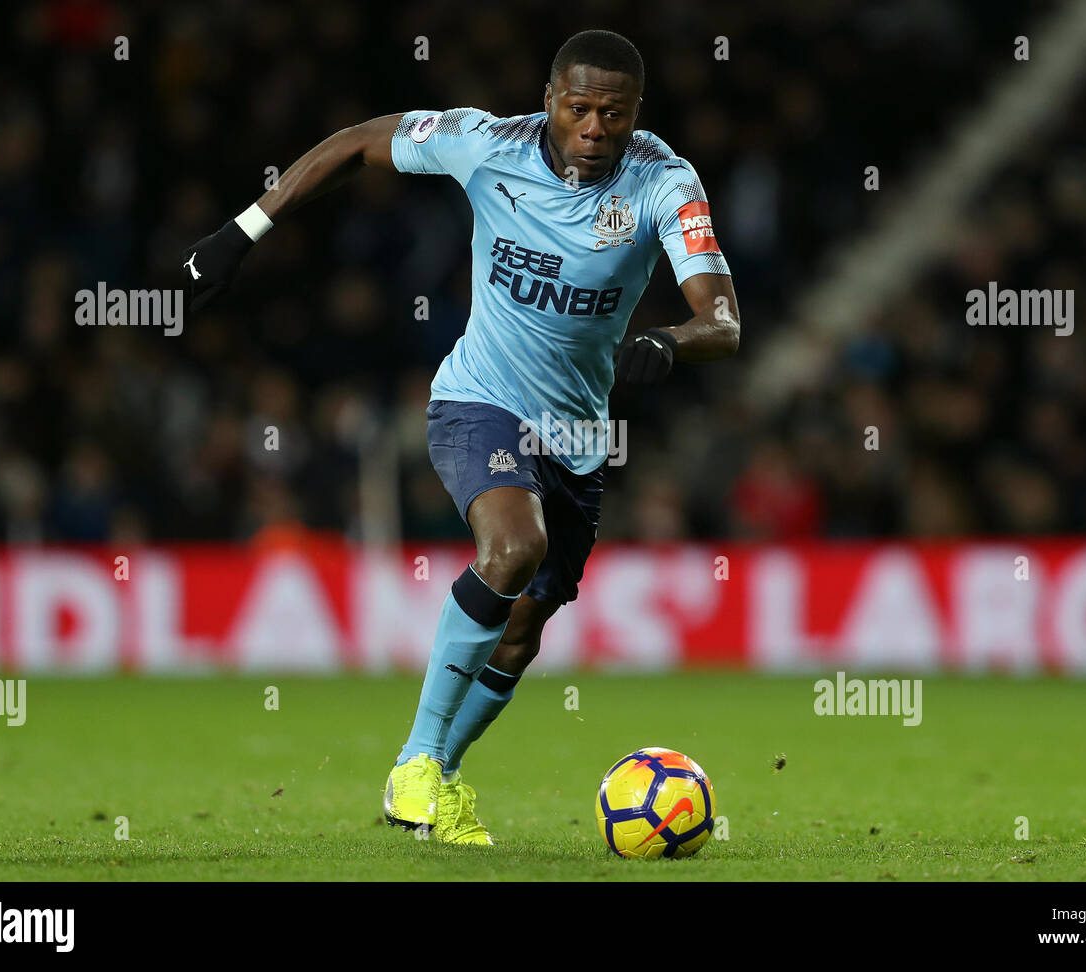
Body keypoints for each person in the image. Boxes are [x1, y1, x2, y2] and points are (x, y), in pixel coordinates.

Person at [181, 29, 740, 845]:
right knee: (512, 546)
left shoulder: (662, 181)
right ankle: (414, 761)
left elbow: (722, 318)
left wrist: (668, 341)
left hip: (576, 437)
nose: (594, 128)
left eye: (612, 115)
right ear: (548, 100)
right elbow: (358, 143)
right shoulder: (487, 144)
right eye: (579, 108)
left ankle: (435, 781)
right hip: (478, 399)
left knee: (522, 633)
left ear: (635, 114)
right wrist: (244, 232)